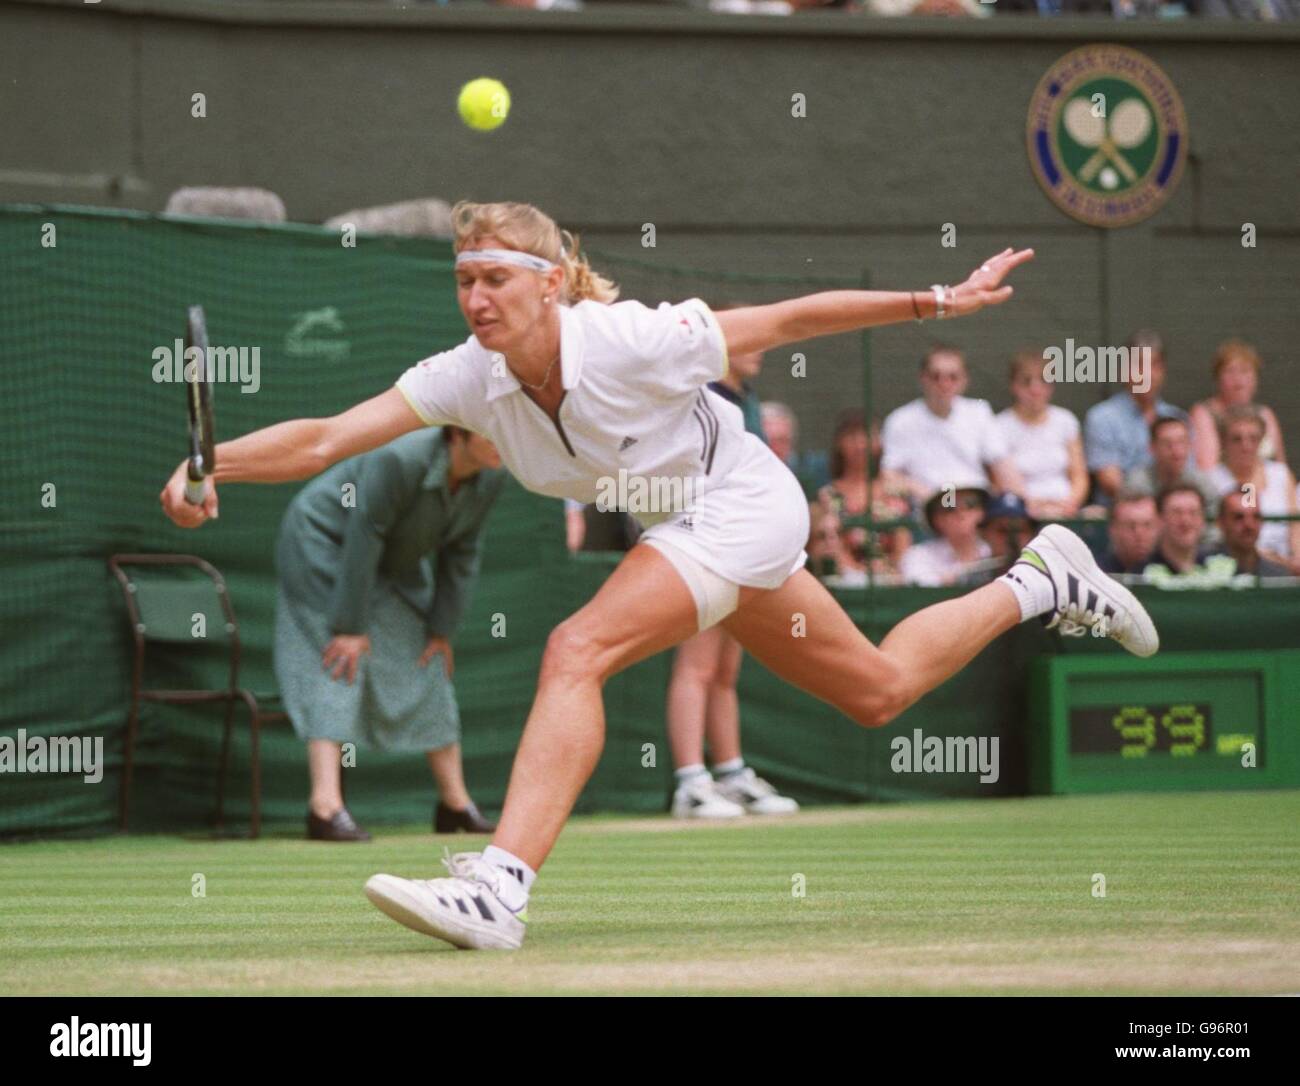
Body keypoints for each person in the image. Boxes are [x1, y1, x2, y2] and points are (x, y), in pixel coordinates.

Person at [161, 201, 1156, 952]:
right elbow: (332, 435)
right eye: (463, 278)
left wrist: (937, 298)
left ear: (549, 281)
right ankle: (1042, 579)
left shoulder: (630, 340)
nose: (475, 298)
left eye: (495, 278)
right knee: (876, 689)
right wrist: (215, 464)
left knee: (574, 648)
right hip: (688, 520)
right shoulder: (473, 371)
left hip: (739, 503)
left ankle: (499, 886)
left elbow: (788, 318)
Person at [274, 426, 506, 842]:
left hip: (392, 560)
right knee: (339, 659)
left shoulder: (493, 474)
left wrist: (441, 629)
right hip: (322, 544)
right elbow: (365, 533)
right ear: (458, 435)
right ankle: (324, 807)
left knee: (427, 657)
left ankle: (455, 804)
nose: (504, 442)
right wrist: (349, 626)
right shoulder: (400, 459)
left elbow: (464, 551)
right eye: (493, 433)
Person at [667, 327, 798, 819]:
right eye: (749, 337)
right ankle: (689, 782)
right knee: (696, 666)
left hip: (748, 547)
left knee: (724, 672)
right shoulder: (705, 398)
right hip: (707, 543)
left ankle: (730, 773)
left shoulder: (747, 399)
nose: (761, 346)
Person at [880, 346, 1024, 502]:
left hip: (975, 505)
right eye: (936, 376)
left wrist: (1022, 502)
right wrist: (929, 497)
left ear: (964, 380)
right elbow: (889, 475)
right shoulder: (900, 420)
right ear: (923, 378)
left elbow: (1002, 464)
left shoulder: (979, 412)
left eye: (953, 377)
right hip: (926, 508)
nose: (944, 383)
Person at [1084, 330, 1188, 502]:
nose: (1148, 374)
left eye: (1154, 365)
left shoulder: (1178, 418)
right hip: (1122, 515)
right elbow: (1110, 482)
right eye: (1139, 364)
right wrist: (1152, 509)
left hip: (1174, 514)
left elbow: (1186, 474)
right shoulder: (1102, 417)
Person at [812, 410, 911, 583]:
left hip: (893, 577)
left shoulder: (893, 489)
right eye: (851, 437)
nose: (860, 444)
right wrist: (856, 571)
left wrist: (893, 571)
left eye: (867, 436)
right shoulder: (828, 494)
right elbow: (831, 543)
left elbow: (902, 537)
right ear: (839, 444)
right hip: (848, 577)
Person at [995, 349, 1087, 520]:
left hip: (1066, 510)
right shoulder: (999, 426)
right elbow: (997, 481)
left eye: (1044, 380)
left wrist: (1071, 503)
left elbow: (1079, 475)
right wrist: (1028, 506)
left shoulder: (1066, 420)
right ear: (1013, 385)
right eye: (1026, 381)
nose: (1035, 389)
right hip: (1020, 514)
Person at [1207, 405, 1300, 571]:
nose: (1246, 445)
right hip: (1232, 567)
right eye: (1237, 438)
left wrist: (1296, 560)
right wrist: (1273, 560)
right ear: (1222, 441)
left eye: (1253, 438)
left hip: (1287, 570)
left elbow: (1295, 527)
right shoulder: (1210, 481)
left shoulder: (1281, 474)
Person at [1188, 339, 1286, 472]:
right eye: (1230, 371)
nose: (1238, 381)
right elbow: (1207, 468)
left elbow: (1281, 468)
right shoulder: (1204, 413)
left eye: (1245, 371)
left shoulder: (1265, 414)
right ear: (1218, 378)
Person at [1141, 485, 1234, 585]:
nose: (1186, 521)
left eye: (1193, 513)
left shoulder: (1223, 569)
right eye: (1176, 513)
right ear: (1160, 520)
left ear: (1203, 520)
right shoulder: (1142, 576)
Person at [900, 487, 993, 587]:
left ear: (983, 512)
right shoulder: (919, 555)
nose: (961, 513)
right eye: (949, 508)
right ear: (935, 519)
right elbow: (920, 587)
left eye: (970, 504)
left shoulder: (995, 549)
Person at [1125, 416, 1219, 513]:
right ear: (1152, 448)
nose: (1176, 451)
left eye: (1182, 442)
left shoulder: (1199, 482)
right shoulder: (1137, 484)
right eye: (1167, 444)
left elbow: (1215, 516)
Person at [1212, 490, 1291, 580]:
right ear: (1220, 523)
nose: (1249, 525)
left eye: (1256, 517)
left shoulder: (1278, 577)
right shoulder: (1202, 570)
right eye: (1239, 517)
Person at [1097, 490, 1159, 575]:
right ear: (1113, 529)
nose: (1139, 533)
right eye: (1130, 526)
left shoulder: (1173, 573)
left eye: (1147, 525)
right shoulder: (1097, 573)